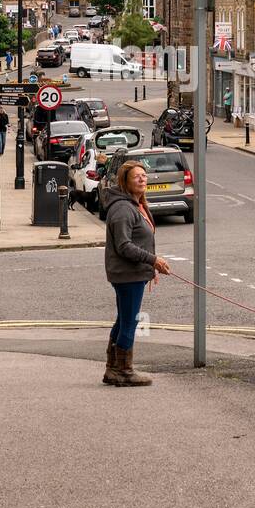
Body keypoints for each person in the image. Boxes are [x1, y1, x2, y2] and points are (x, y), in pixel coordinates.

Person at [103, 161, 171, 387]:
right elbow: (124, 246)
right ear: (125, 182)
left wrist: (151, 264)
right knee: (130, 321)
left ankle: (112, 369)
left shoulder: (134, 204)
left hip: (132, 273)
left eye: (144, 175)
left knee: (123, 319)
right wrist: (153, 260)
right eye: (136, 177)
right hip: (128, 274)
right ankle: (124, 371)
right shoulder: (123, 209)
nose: (143, 179)